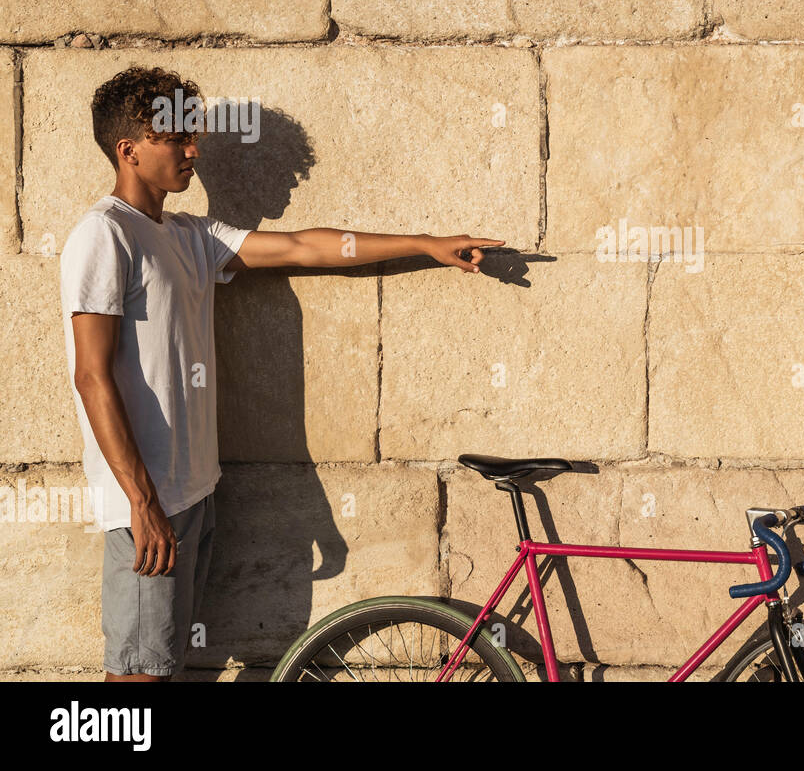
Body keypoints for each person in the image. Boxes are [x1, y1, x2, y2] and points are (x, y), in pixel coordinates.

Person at [60, 65, 504, 681]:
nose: (193, 150)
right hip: (147, 502)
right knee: (137, 676)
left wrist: (424, 243)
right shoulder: (103, 235)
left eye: (194, 135)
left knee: (163, 665)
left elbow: (303, 247)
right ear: (128, 150)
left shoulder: (188, 235)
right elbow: (91, 377)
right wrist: (141, 501)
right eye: (175, 139)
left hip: (192, 493)